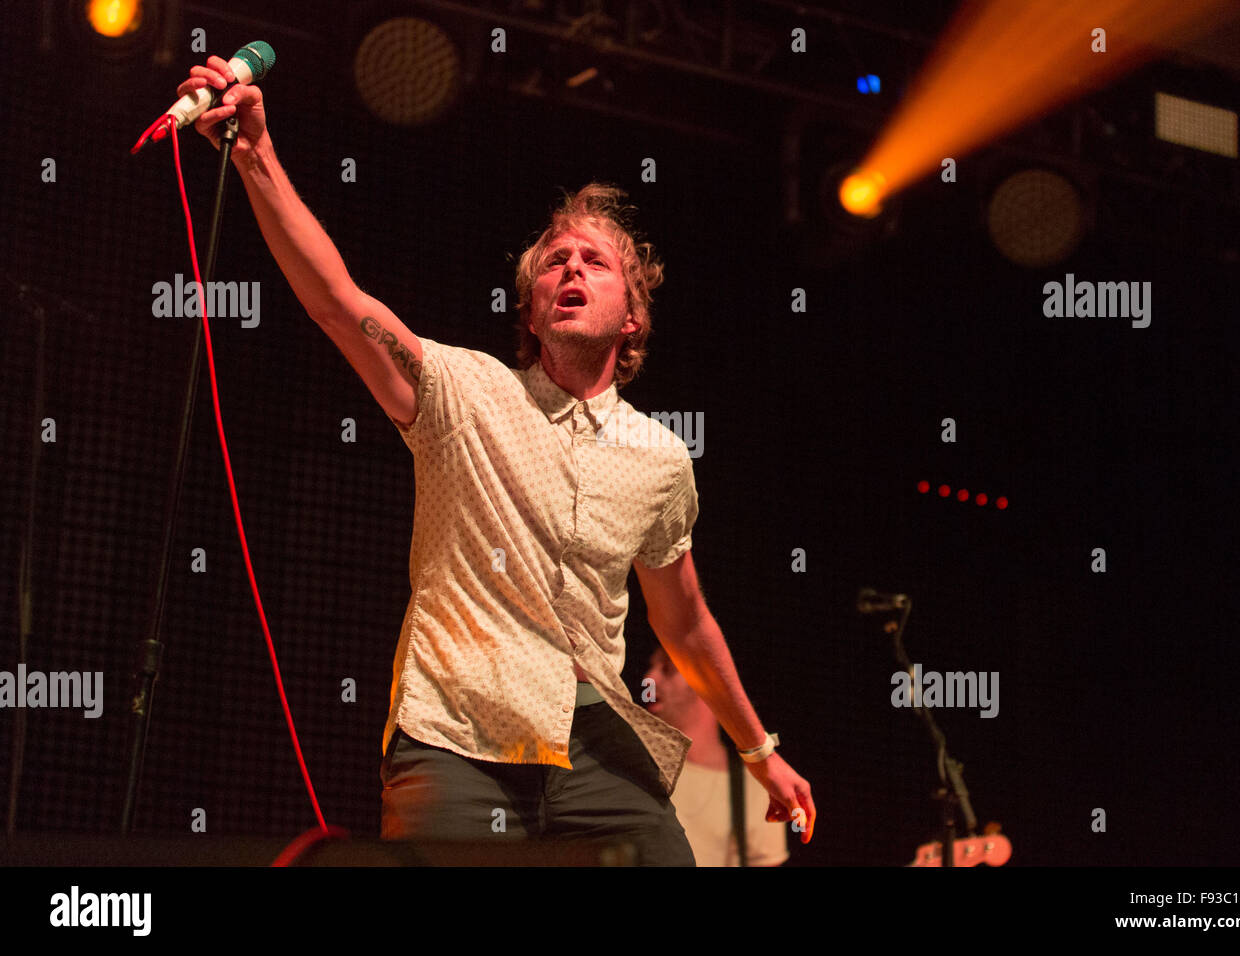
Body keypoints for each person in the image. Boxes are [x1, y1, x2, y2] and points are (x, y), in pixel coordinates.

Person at [177, 56, 815, 864]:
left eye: (594, 261)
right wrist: (253, 153)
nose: (571, 269)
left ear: (633, 318)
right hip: (456, 735)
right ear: (533, 307)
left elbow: (683, 622)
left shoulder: (659, 457)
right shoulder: (463, 391)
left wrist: (761, 753)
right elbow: (339, 304)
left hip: (594, 744)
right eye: (554, 261)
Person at [644, 646, 790, 865]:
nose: (649, 678)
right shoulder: (632, 768)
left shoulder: (755, 785)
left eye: (667, 668)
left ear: (708, 682)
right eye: (651, 667)